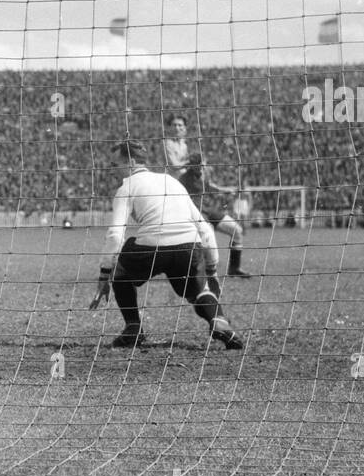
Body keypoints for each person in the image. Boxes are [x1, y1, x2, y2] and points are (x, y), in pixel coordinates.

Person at [90, 139, 244, 351]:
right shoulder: (171, 181)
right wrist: (211, 271)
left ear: (132, 162)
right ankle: (219, 322)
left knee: (121, 265)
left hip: (151, 247)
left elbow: (116, 235)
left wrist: (104, 275)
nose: (111, 171)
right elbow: (205, 229)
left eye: (114, 165)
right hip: (188, 246)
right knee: (199, 291)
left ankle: (133, 328)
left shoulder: (126, 188)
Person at [178, 152, 251, 284]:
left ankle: (234, 269)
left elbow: (209, 186)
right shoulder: (183, 179)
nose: (201, 167)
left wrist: (224, 190)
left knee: (237, 231)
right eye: (198, 165)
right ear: (191, 165)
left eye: (202, 164)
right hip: (196, 214)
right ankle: (202, 271)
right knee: (207, 238)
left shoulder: (205, 173)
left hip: (209, 210)